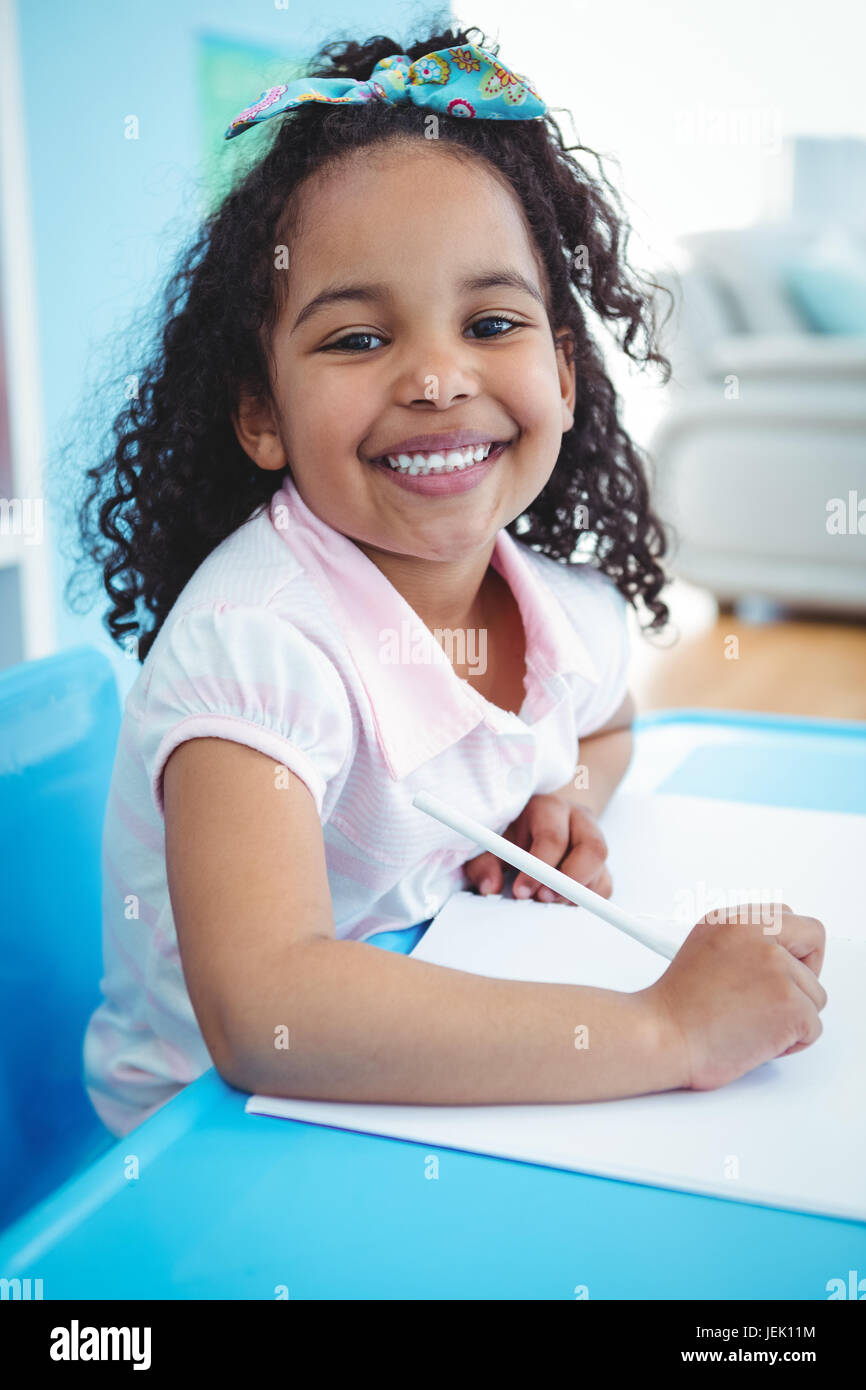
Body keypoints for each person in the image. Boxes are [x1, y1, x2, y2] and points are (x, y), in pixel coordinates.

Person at [72, 21, 825, 1137]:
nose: (434, 377)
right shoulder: (255, 647)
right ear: (259, 413)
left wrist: (566, 797)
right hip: (216, 1140)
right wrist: (669, 1028)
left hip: (426, 1082)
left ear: (563, 375)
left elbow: (605, 723)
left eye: (489, 323)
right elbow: (264, 1009)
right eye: (355, 339)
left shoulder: (560, 611)